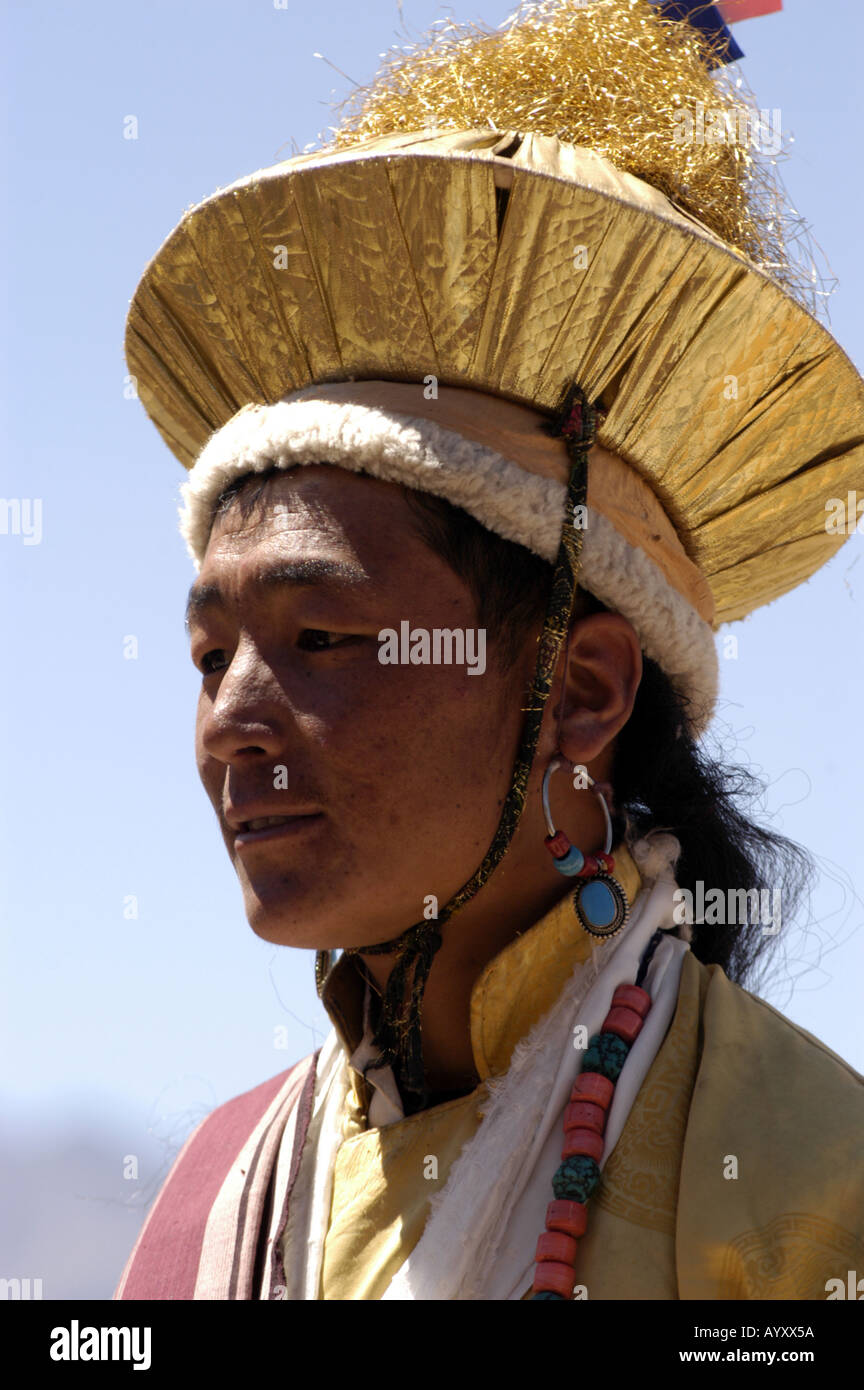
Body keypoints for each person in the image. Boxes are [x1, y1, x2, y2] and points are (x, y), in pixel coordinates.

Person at [115, 0, 864, 1301]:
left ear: (579, 690)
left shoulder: (812, 1198)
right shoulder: (212, 1211)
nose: (232, 718)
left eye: (321, 635)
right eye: (207, 653)